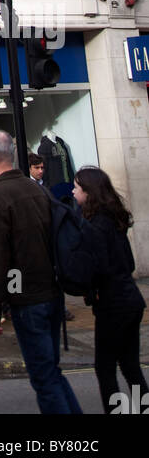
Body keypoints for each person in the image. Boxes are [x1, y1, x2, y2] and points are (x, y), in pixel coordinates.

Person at [0, 130, 82, 415]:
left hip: (28, 300)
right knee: (52, 372)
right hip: (52, 293)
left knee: (45, 379)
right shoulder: (37, 188)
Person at [72, 165, 148, 414]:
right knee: (130, 366)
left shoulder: (93, 225)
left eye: (76, 187)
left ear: (88, 192)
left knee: (104, 369)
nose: (73, 192)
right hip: (131, 300)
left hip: (112, 304)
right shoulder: (113, 219)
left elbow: (97, 268)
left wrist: (83, 282)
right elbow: (129, 263)